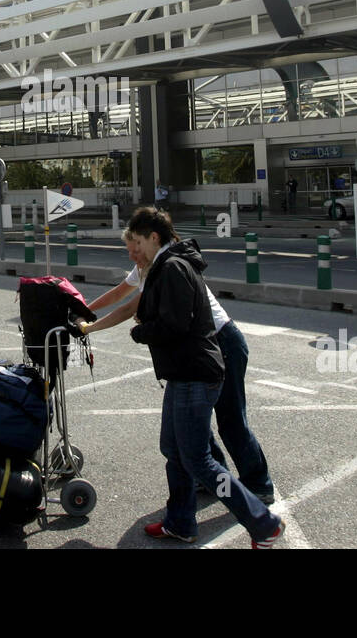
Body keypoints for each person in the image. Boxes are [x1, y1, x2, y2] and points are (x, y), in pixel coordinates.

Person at [117, 206, 283, 548]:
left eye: (136, 242)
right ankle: (180, 521)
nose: (133, 251)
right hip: (182, 372)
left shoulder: (173, 267)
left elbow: (175, 324)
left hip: (196, 372)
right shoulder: (161, 266)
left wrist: (140, 332)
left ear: (154, 237)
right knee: (173, 447)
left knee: (199, 458)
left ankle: (262, 521)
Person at [82, 229, 276, 505]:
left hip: (222, 342)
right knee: (191, 421)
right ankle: (211, 476)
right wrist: (83, 310)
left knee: (230, 421)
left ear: (150, 241)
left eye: (134, 247)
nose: (131, 254)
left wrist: (89, 328)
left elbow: (128, 309)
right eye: (128, 248)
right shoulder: (146, 266)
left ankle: (259, 484)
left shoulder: (166, 268)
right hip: (196, 348)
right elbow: (118, 294)